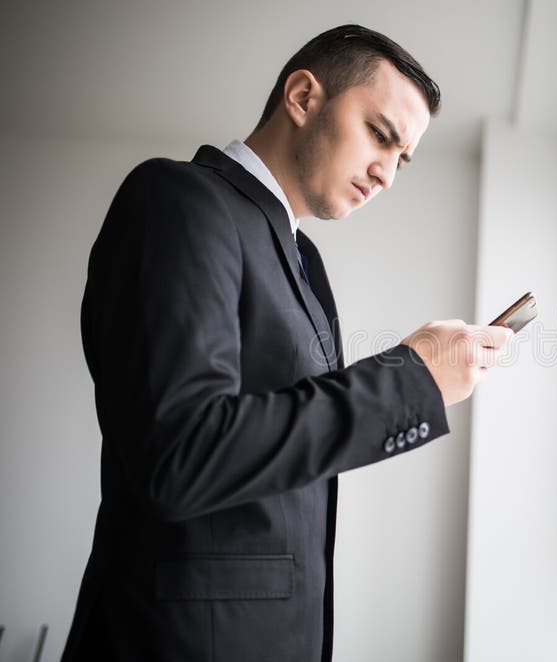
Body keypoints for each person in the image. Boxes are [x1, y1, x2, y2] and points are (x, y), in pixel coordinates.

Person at [62, 24, 512, 662]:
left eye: (403, 158)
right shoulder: (179, 199)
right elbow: (181, 452)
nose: (387, 173)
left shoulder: (308, 266)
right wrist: (412, 381)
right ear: (303, 97)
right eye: (381, 135)